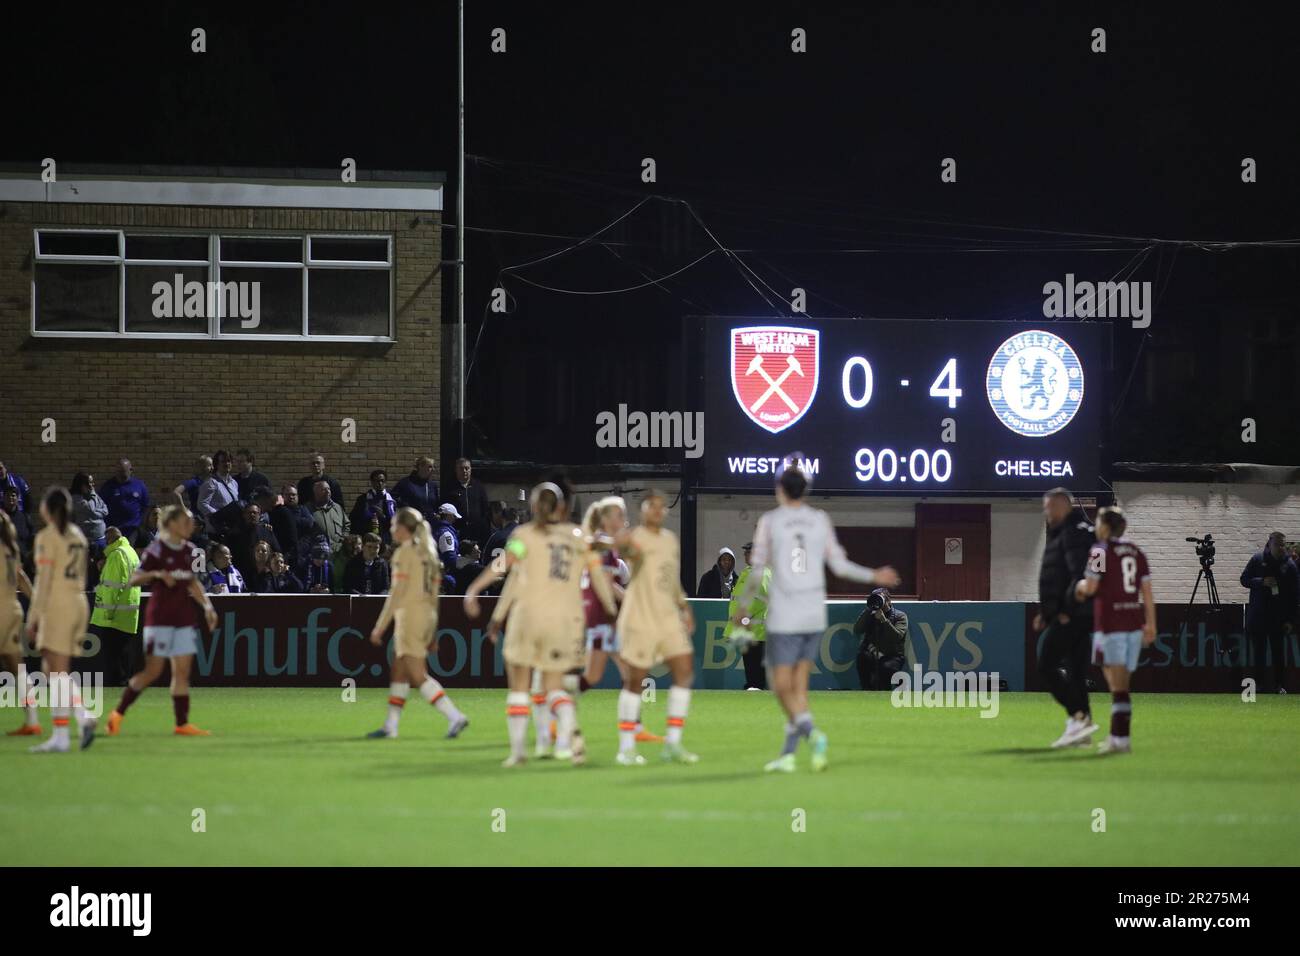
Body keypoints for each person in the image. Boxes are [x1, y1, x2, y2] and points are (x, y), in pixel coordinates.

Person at [732, 458, 900, 773]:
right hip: (809, 610)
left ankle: (809, 740)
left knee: (783, 688)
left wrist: (741, 607)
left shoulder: (770, 521)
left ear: (780, 489)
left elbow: (756, 571)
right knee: (795, 688)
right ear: (806, 489)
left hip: (785, 611)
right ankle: (792, 752)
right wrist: (874, 574)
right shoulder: (819, 519)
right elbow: (839, 565)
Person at [465, 478, 616, 767]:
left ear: (534, 506)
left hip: (528, 619)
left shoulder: (524, 536)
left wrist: (475, 591)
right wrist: (610, 609)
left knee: (521, 687)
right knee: (555, 687)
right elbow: (596, 574)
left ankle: (519, 752)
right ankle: (572, 743)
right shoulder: (577, 536)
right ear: (560, 507)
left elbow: (504, 567)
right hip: (564, 622)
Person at [108, 505, 219, 737]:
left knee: (181, 673)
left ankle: (182, 723)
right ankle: (117, 714)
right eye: (186, 521)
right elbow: (135, 579)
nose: (192, 526)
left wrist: (207, 606)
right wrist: (158, 575)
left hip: (183, 619)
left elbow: (192, 582)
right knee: (152, 671)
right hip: (159, 620)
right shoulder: (157, 550)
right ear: (172, 524)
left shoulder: (189, 550)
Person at [610, 489, 698, 765]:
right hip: (639, 618)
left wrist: (683, 606)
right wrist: (618, 540)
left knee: (684, 669)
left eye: (662, 507)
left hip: (667, 617)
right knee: (635, 679)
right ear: (643, 510)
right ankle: (626, 748)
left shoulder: (670, 540)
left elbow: (671, 580)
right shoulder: (634, 537)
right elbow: (621, 548)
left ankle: (672, 742)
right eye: (652, 506)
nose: (658, 511)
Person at [366, 507, 469, 740]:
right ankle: (391, 725)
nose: (391, 529)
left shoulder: (404, 553)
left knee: (417, 675)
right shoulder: (428, 552)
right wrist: (431, 630)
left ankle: (455, 716)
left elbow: (396, 594)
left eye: (394, 525)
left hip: (410, 618)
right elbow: (434, 598)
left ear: (404, 528)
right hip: (423, 617)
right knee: (399, 672)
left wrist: (380, 626)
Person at [1074, 507, 1157, 754]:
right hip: (1133, 624)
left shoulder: (1099, 550)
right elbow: (1147, 592)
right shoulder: (1136, 551)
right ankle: (1117, 737)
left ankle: (1120, 740)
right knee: (1119, 685)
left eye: (1098, 521)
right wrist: (1151, 624)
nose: (1095, 526)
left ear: (1106, 526)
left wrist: (1077, 587)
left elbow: (1090, 587)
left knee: (1118, 687)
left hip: (1111, 625)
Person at [25, 487, 95, 753]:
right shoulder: (78, 535)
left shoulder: (47, 536)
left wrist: (33, 618)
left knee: (56, 671)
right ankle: (76, 721)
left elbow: (43, 582)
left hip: (58, 603)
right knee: (52, 670)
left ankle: (66, 732)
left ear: (48, 509)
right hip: (78, 602)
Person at [1035, 487, 1098, 749]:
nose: (1046, 513)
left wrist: (1061, 611)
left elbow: (1077, 576)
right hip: (1080, 614)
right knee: (1075, 672)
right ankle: (1081, 731)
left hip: (1073, 615)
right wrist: (1047, 612)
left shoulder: (1072, 533)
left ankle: (1078, 715)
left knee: (1046, 663)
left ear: (1062, 506)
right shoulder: (1075, 531)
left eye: (1048, 507)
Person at [1239, 531, 1298, 694]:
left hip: (1279, 618)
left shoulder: (1290, 566)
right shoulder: (1257, 560)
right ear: (1269, 543)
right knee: (1259, 653)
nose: (1281, 548)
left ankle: (1280, 686)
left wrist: (1290, 620)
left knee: (1279, 654)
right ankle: (1259, 685)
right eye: (1278, 544)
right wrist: (1261, 582)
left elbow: (1295, 595)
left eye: (1283, 545)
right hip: (1258, 616)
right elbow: (1244, 579)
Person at [0, 511, 38, 735]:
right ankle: (32, 721)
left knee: (16, 667)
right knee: (16, 667)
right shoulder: (11, 549)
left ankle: (32, 721)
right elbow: (22, 578)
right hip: (12, 609)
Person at [89, 527, 141, 687]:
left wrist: (108, 613)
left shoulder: (117, 555)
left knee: (113, 658)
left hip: (114, 616)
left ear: (109, 539)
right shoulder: (131, 552)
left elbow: (113, 586)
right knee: (125, 655)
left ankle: (116, 688)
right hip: (128, 614)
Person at [724, 542, 770, 690]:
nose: (745, 555)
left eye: (749, 552)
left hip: (756, 629)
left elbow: (758, 599)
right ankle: (753, 687)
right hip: (750, 629)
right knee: (751, 667)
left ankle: (756, 689)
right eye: (746, 552)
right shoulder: (750, 572)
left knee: (755, 668)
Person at [853, 588, 909, 691]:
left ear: (888, 600)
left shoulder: (900, 616)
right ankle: (867, 690)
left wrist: (884, 620)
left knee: (885, 668)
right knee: (862, 657)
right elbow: (857, 630)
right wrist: (868, 611)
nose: (877, 602)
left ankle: (888, 690)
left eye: (880, 599)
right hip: (873, 653)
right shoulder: (870, 613)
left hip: (892, 656)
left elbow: (897, 637)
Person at [228, 503, 281, 583]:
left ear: (259, 515)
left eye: (255, 513)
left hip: (264, 576)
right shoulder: (235, 534)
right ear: (244, 515)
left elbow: (277, 552)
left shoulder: (266, 532)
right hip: (242, 575)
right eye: (249, 513)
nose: (252, 515)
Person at [99, 458, 151, 540]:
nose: (119, 475)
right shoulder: (108, 486)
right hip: (114, 530)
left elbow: (145, 505)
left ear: (131, 470)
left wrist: (140, 521)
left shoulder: (139, 485)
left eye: (123, 472)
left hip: (133, 529)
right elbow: (101, 506)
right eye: (118, 472)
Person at [443, 457, 491, 546]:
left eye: (467, 468)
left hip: (477, 532)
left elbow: (485, 508)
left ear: (470, 469)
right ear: (456, 470)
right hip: (458, 532)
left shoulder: (478, 486)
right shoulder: (449, 488)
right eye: (461, 468)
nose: (464, 471)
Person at [197, 450, 241, 535]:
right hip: (216, 531)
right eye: (223, 461)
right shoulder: (211, 483)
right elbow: (201, 504)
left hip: (231, 529)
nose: (227, 464)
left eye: (229, 461)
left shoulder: (234, 483)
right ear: (217, 464)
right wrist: (219, 515)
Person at [351, 470, 397, 545]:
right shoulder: (363, 499)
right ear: (372, 482)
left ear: (386, 482)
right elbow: (354, 520)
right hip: (367, 539)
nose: (380, 483)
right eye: (377, 481)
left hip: (385, 540)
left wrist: (383, 516)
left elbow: (395, 523)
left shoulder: (391, 501)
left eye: (382, 481)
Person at [392, 456, 440, 524]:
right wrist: (407, 510)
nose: (433, 469)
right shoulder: (406, 483)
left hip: (430, 524)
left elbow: (436, 504)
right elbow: (392, 499)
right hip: (411, 523)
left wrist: (436, 514)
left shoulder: (432, 485)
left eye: (433, 467)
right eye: (430, 467)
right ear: (421, 467)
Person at [70, 472, 109, 549]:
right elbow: (90, 509)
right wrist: (93, 495)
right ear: (82, 485)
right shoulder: (76, 499)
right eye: (90, 482)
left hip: (101, 538)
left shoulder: (93, 495)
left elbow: (105, 510)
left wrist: (95, 512)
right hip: (85, 540)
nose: (93, 485)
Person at [310, 480, 349, 553]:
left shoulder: (337, 507)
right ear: (315, 492)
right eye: (323, 489)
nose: (328, 491)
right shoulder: (308, 509)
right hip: (318, 552)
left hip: (338, 551)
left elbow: (347, 525)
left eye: (328, 489)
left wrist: (343, 538)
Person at [2, 487, 34, 570]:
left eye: (13, 495)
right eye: (7, 496)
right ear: (3, 498)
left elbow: (32, 538)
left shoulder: (25, 517)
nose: (10, 498)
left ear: (18, 498)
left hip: (24, 564)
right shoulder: (1, 518)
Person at [433, 503, 461, 568]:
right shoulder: (446, 533)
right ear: (449, 515)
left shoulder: (435, 529)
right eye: (454, 516)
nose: (455, 519)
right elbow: (450, 557)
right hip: (446, 572)